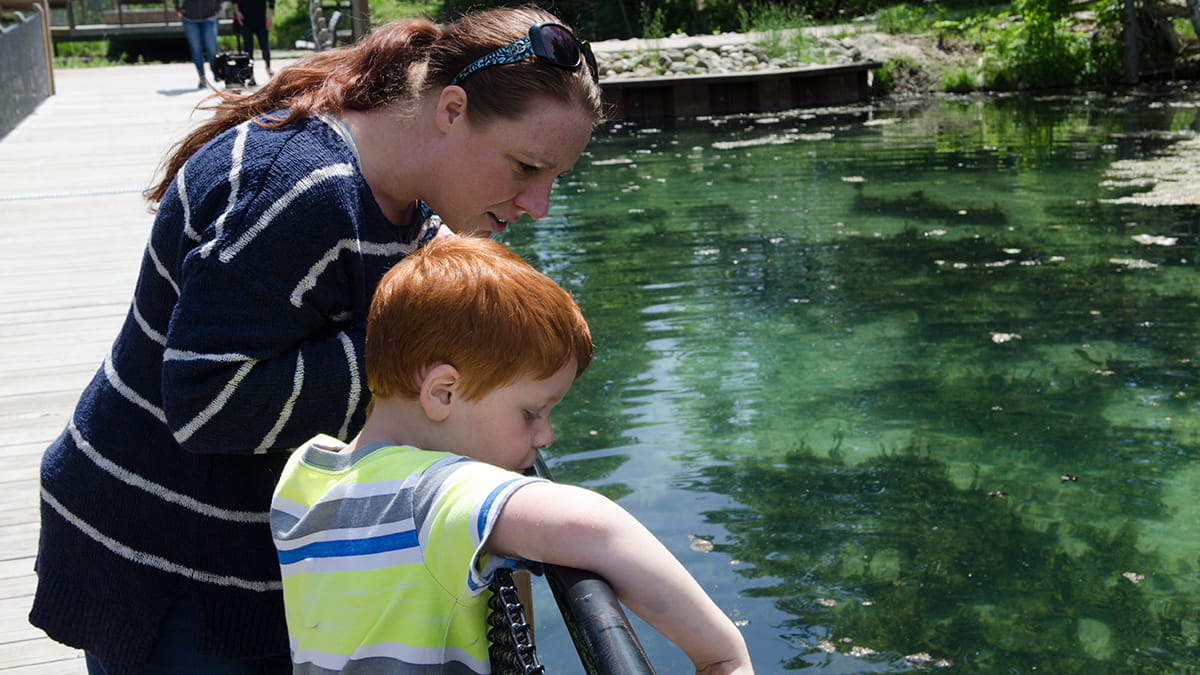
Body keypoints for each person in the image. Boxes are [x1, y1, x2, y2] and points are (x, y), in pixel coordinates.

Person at [29, 6, 604, 675]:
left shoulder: (407, 198)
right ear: (451, 109)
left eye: (553, 179)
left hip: (246, 548)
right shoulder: (301, 189)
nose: (540, 204)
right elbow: (206, 399)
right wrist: (408, 361)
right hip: (166, 558)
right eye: (526, 167)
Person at [271, 235, 755, 674]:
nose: (544, 436)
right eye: (531, 412)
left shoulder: (305, 475)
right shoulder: (432, 494)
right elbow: (591, 527)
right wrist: (720, 652)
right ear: (443, 393)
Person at [175, 0, 221, 88]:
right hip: (190, 18)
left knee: (212, 47)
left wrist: (218, 7)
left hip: (209, 16)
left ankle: (216, 72)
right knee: (196, 49)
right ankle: (202, 77)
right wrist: (178, 8)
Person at [232, 0, 274, 81]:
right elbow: (234, 1)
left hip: (261, 19)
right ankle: (250, 73)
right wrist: (237, 12)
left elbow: (272, 2)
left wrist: (270, 17)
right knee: (248, 48)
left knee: (265, 46)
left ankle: (268, 67)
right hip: (245, 19)